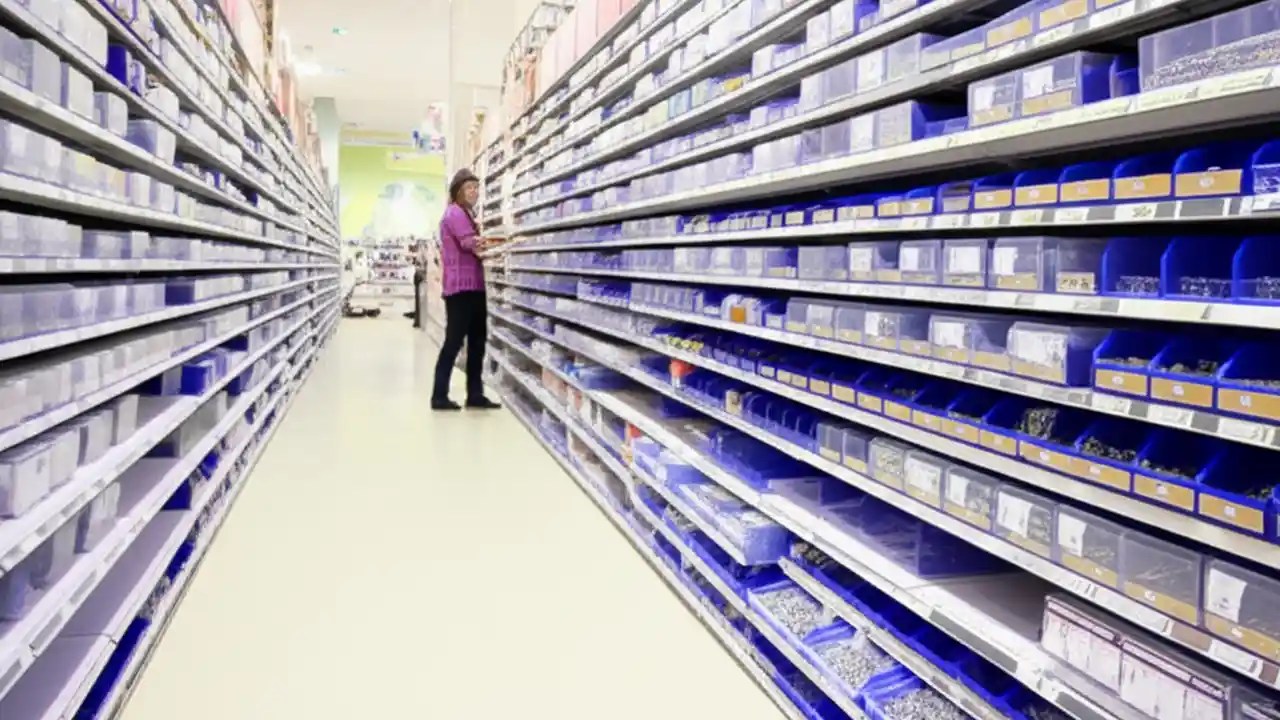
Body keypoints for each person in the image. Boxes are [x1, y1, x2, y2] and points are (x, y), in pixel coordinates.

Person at [431, 169, 500, 411]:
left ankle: (475, 394)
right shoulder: (455, 213)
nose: (474, 191)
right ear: (458, 191)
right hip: (461, 290)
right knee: (453, 342)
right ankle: (439, 396)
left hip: (474, 286)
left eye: (476, 187)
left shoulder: (467, 214)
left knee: (477, 342)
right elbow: (468, 243)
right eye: (469, 187)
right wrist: (493, 242)